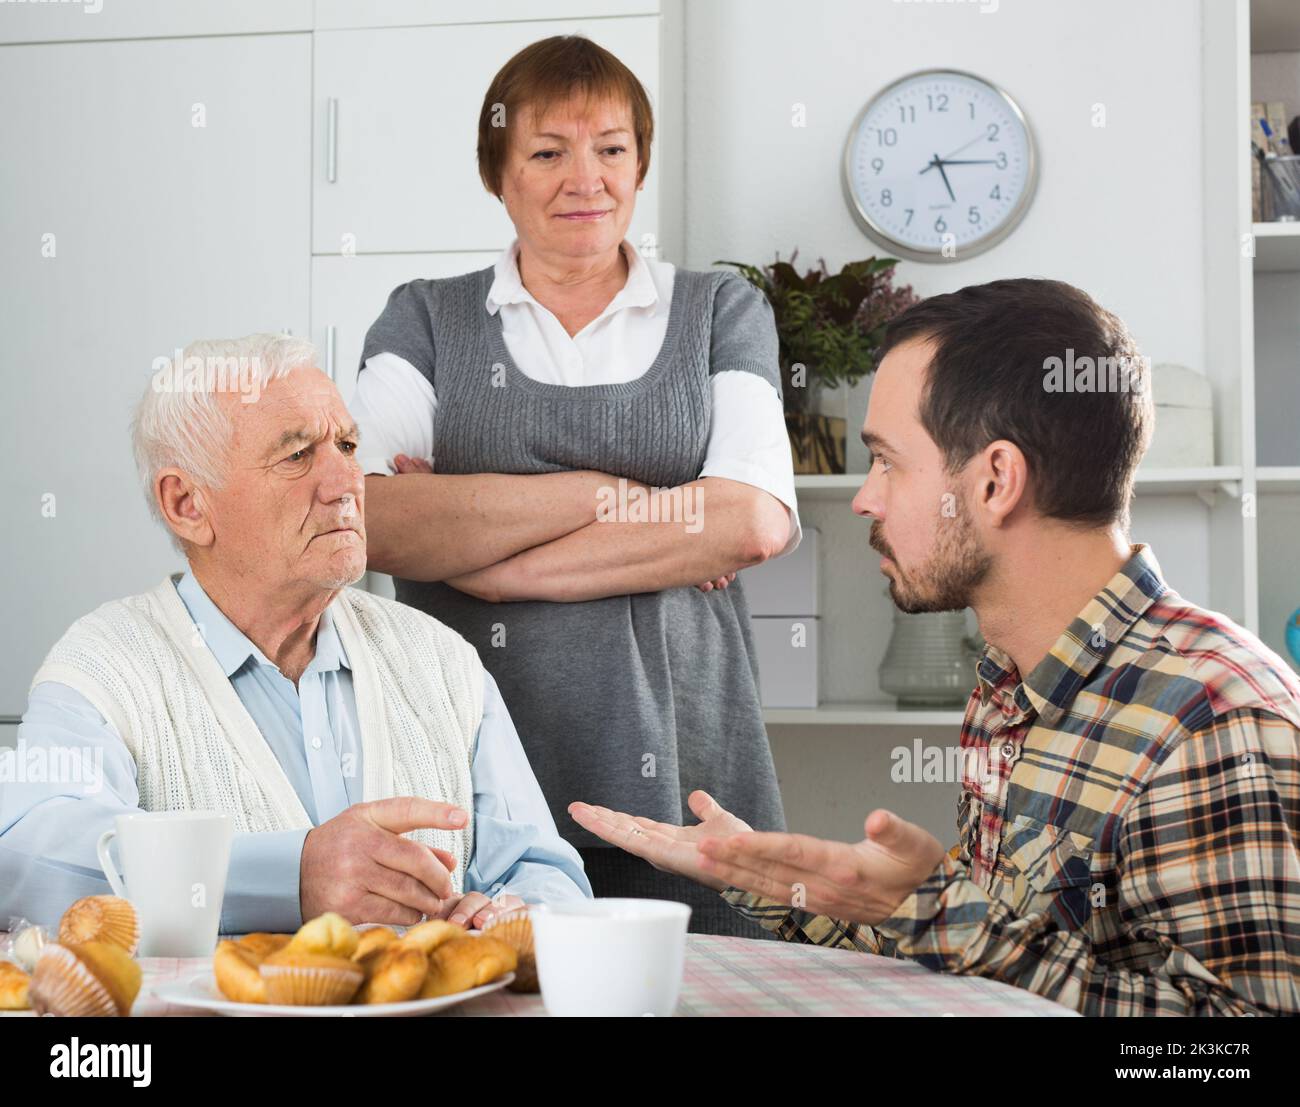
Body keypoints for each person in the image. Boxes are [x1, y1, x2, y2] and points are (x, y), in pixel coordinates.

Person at [570, 278, 1300, 1015]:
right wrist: (780, 883)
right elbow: (988, 959)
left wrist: (946, 917)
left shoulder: (1215, 722)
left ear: (994, 482)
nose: (865, 497)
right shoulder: (1007, 685)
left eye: (887, 460)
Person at [351, 35, 797, 935]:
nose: (584, 178)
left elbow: (749, 520)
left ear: (640, 163)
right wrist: (627, 497)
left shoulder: (721, 310)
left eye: (613, 149)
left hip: (684, 754)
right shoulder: (425, 318)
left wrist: (485, 558)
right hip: (468, 755)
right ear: (498, 174)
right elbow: (367, 517)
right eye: (548, 152)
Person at [0, 333, 590, 935]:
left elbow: (546, 875)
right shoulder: (102, 667)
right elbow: (27, 857)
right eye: (296, 455)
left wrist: (506, 918)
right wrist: (292, 877)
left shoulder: (441, 660)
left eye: (348, 445)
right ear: (187, 504)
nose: (346, 484)